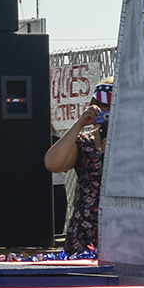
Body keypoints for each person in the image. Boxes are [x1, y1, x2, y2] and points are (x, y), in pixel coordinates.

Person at [46, 98, 107, 256]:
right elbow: (53, 164)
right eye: (102, 105)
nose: (107, 110)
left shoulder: (136, 141)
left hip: (123, 220)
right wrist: (79, 124)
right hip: (86, 223)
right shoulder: (85, 141)